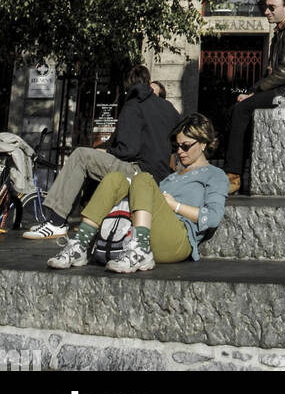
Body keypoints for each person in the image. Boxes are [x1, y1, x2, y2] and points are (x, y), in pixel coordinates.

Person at [47, 114, 228, 273]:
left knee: (143, 178)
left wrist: (175, 206)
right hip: (154, 231)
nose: (180, 151)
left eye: (186, 146)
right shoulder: (170, 179)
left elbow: (212, 217)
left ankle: (141, 249)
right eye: (177, 146)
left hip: (178, 241)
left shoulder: (215, 175)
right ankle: (81, 244)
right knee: (115, 178)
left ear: (203, 144)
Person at [23, 65, 179, 240]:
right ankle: (89, 218)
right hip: (162, 175)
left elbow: (129, 150)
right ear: (149, 83)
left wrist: (109, 151)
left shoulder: (133, 105)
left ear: (128, 86)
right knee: (96, 163)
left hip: (140, 172)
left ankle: (56, 222)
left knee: (81, 156)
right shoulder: (169, 109)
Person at [224, 0, 285, 194]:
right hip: (284, 85)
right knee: (237, 108)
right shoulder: (281, 31)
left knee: (242, 109)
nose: (266, 11)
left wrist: (255, 91)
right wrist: (252, 91)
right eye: (265, 7)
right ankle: (240, 171)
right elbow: (272, 73)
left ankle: (233, 176)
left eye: (271, 7)